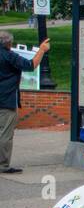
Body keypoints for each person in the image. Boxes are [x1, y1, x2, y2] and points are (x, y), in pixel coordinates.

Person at [0, 32, 50, 174]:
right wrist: (41, 50)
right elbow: (30, 65)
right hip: (6, 100)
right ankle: (2, 164)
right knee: (5, 134)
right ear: (9, 44)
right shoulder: (9, 56)